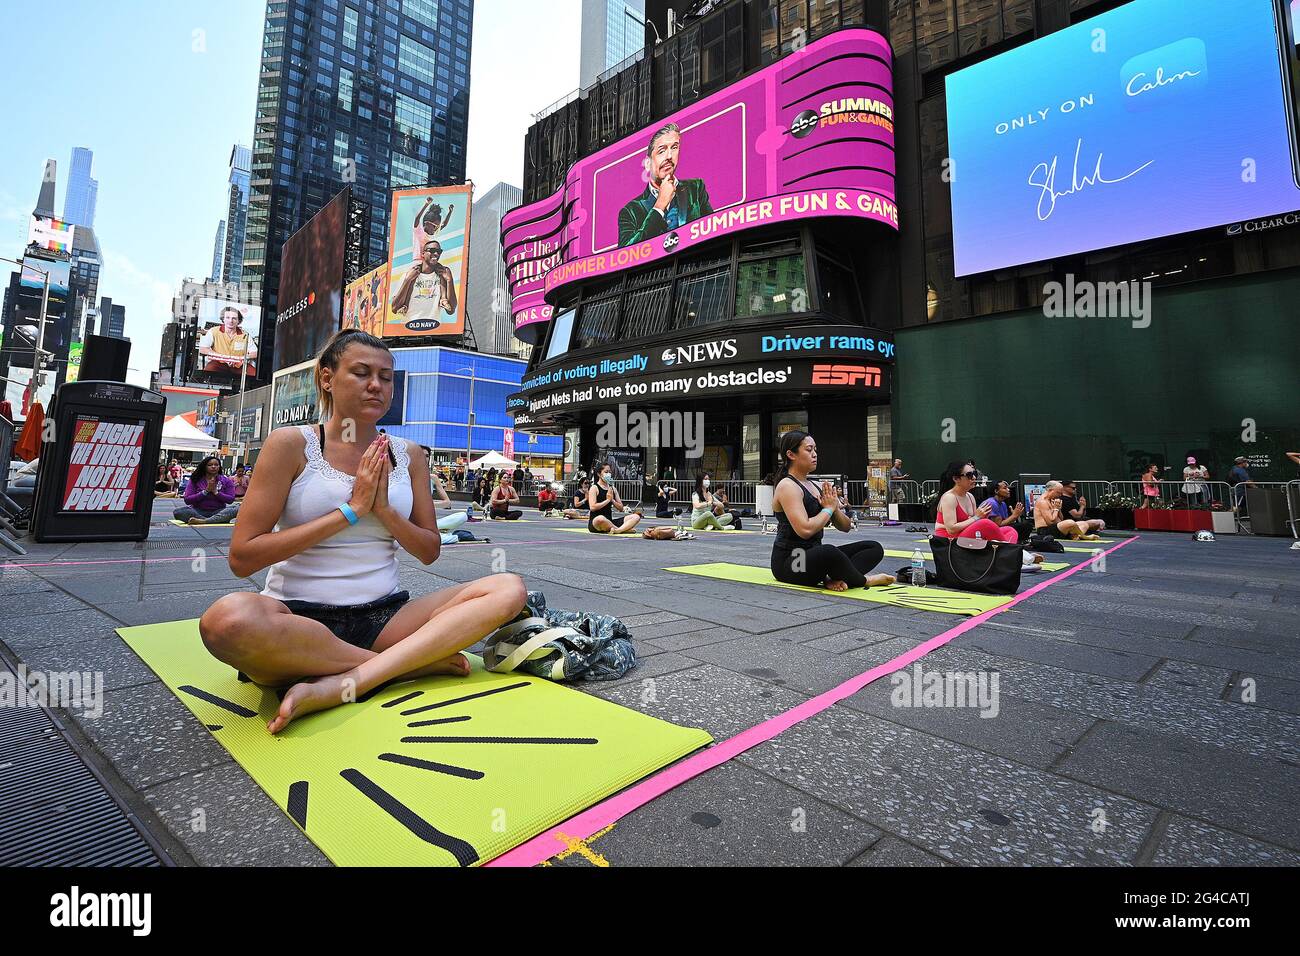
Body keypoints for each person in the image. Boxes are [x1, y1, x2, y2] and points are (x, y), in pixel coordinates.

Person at [198, 328, 526, 734]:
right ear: (326, 378)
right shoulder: (291, 444)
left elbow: (429, 551)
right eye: (361, 372)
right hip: (296, 622)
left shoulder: (410, 455)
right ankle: (403, 666)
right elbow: (242, 556)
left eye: (386, 377)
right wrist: (351, 511)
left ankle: (349, 681)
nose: (376, 385)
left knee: (508, 588)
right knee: (226, 621)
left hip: (385, 617)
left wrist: (385, 510)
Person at [771, 431, 893, 591]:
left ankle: (834, 579)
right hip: (793, 562)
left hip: (814, 557)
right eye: (809, 450)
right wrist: (827, 509)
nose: (814, 454)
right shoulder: (788, 486)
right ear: (791, 454)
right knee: (828, 552)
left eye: (815, 450)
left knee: (873, 548)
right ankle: (864, 581)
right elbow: (805, 530)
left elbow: (846, 527)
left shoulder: (815, 485)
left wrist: (834, 507)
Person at [617, 123, 714, 247]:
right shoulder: (630, 211)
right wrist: (659, 206)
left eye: (674, 148)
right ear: (647, 163)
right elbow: (626, 254)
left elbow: (712, 232)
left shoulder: (696, 188)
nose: (669, 156)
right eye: (662, 151)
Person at [935, 461, 1019, 544]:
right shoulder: (949, 497)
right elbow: (951, 530)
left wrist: (981, 517)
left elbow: (973, 523)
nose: (974, 477)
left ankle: (1006, 550)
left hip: (963, 536)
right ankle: (1007, 550)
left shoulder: (970, 497)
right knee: (985, 523)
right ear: (956, 479)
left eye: (974, 473)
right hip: (949, 541)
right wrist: (977, 517)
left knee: (1010, 530)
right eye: (969, 475)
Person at [391, 240, 457, 327]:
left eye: (439, 251)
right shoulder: (408, 275)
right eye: (432, 251)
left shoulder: (443, 276)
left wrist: (449, 280)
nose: (436, 254)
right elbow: (395, 308)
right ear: (423, 254)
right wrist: (407, 280)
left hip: (433, 331)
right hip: (408, 332)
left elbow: (451, 310)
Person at [421, 446, 469, 544]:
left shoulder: (433, 478)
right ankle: (447, 536)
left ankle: (436, 532)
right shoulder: (407, 477)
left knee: (463, 516)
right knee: (435, 539)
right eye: (421, 455)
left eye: (426, 456)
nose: (424, 458)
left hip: (430, 522)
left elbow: (447, 503)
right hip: (412, 522)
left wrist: (429, 505)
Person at [174, 457, 240, 525]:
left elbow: (230, 499)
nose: (213, 467)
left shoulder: (226, 480)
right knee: (178, 512)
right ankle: (216, 520)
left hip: (219, 511)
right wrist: (205, 491)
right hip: (198, 511)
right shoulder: (195, 479)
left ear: (219, 467)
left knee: (238, 508)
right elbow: (187, 500)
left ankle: (204, 521)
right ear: (204, 466)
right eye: (210, 465)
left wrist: (216, 492)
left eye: (216, 465)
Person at [199, 306, 258, 376]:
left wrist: (241, 358)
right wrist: (221, 357)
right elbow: (203, 349)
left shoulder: (245, 335)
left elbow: (255, 353)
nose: (231, 321)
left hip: (240, 365)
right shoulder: (213, 331)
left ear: (239, 321)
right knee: (207, 372)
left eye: (234, 318)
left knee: (254, 374)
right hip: (218, 363)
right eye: (227, 318)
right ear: (223, 319)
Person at [1033, 480, 1100, 541]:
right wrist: (1056, 509)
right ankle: (1084, 537)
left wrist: (1059, 509)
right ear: (1051, 490)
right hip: (1045, 530)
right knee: (1070, 522)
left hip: (1057, 528)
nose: (1059, 495)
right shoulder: (1042, 502)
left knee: (1084, 523)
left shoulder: (1051, 500)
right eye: (1058, 493)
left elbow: (1061, 519)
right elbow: (1050, 522)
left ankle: (1074, 535)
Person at [587, 462, 642, 534]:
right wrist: (607, 500)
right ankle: (623, 530)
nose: (608, 474)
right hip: (596, 522)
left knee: (636, 517)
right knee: (600, 519)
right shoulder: (594, 488)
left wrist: (612, 500)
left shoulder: (613, 488)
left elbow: (621, 508)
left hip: (610, 521)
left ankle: (618, 530)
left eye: (610, 472)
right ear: (599, 474)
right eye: (606, 472)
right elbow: (593, 507)